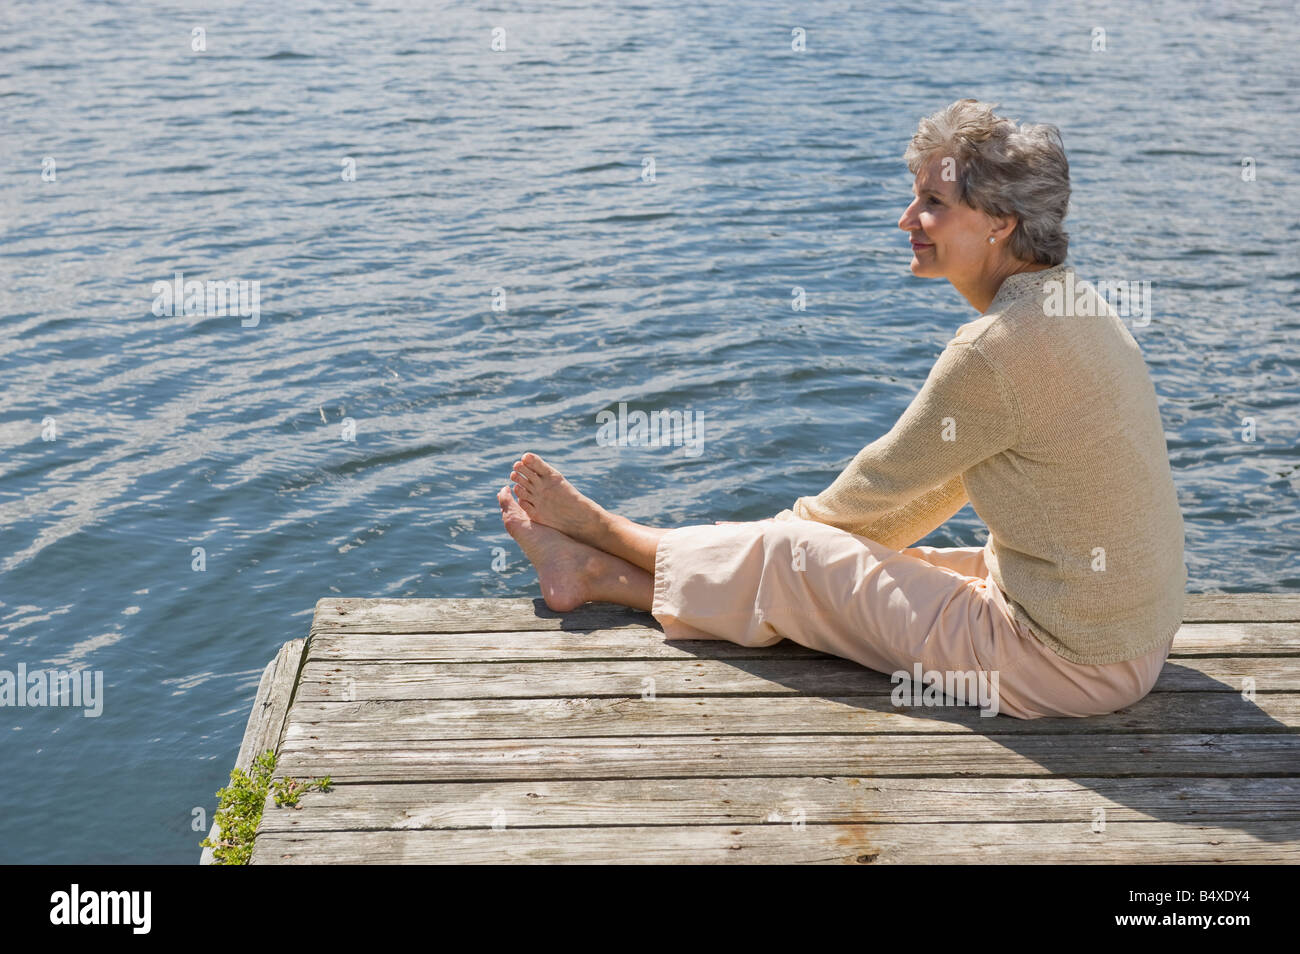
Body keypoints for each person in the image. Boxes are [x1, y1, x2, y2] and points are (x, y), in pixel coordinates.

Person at [496, 98, 1187, 720]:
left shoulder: (995, 350)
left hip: (1060, 663)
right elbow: (940, 483)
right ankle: (596, 575)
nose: (907, 219)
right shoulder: (1077, 306)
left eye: (933, 203)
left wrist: (785, 542)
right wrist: (808, 551)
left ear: (1000, 224)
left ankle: (607, 534)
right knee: (850, 561)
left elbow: (881, 483)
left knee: (798, 556)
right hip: (1124, 640)